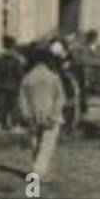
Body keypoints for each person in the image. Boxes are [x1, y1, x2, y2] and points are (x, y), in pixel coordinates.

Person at [17, 43, 67, 181]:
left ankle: (39, 170)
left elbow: (21, 99)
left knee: (35, 143)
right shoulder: (53, 77)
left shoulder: (27, 78)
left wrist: (26, 114)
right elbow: (61, 98)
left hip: (33, 114)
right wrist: (54, 114)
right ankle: (38, 172)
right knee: (47, 145)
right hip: (50, 114)